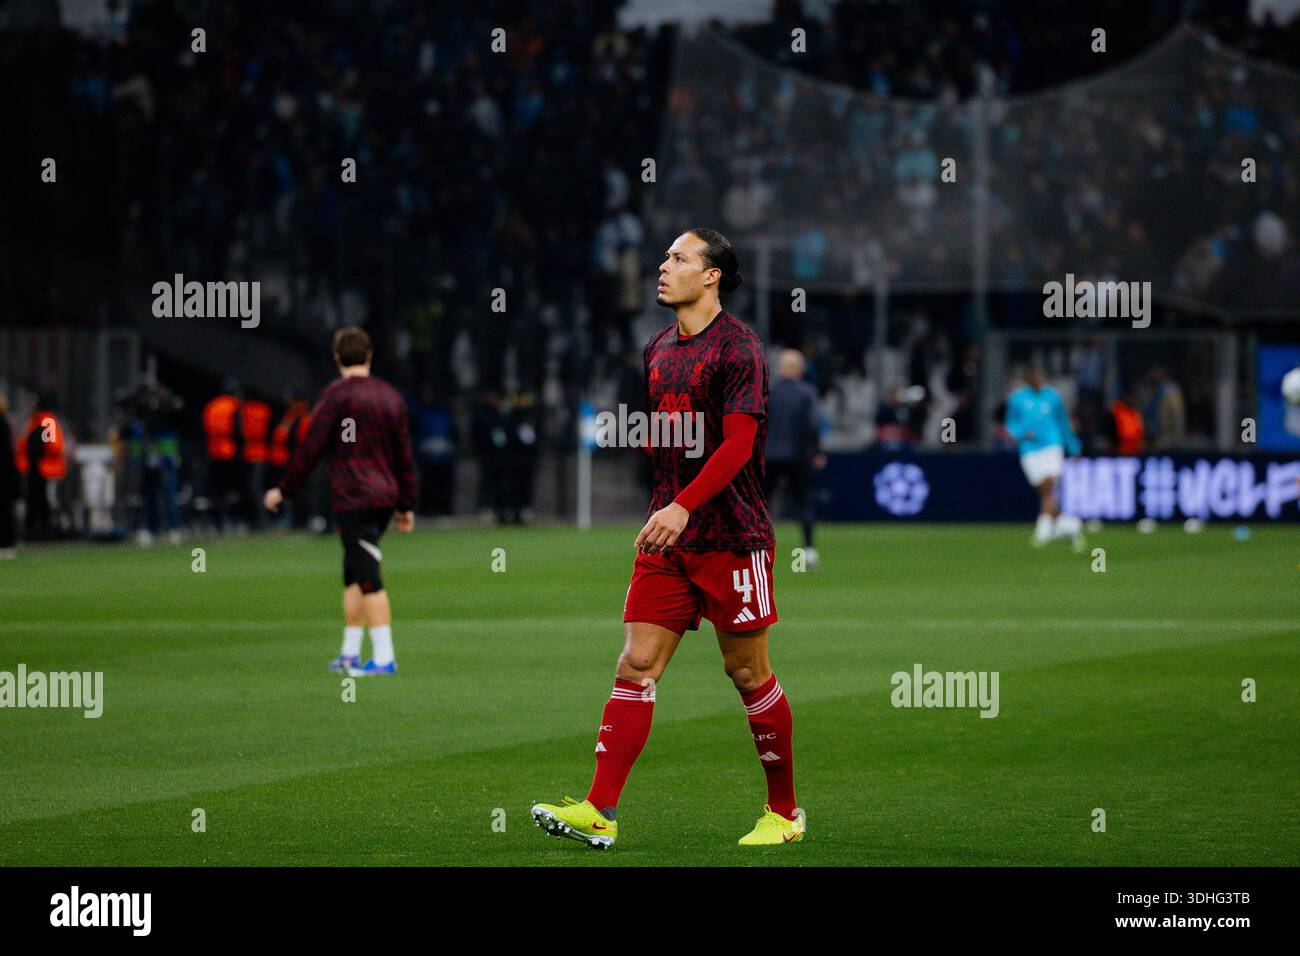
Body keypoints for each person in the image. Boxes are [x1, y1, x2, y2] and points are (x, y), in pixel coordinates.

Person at [532, 227, 804, 849]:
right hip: (669, 540)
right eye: (665, 256)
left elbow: (738, 444)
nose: (663, 266)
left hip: (733, 537)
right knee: (636, 663)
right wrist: (663, 506)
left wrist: (682, 505)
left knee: (747, 673)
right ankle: (600, 810)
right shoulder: (656, 348)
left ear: (711, 276)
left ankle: (785, 813)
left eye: (679, 258)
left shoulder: (740, 348)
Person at [264, 328, 417, 677]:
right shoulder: (390, 397)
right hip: (384, 494)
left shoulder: (335, 397)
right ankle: (349, 652)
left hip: (354, 496)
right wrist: (406, 505)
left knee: (368, 577)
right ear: (369, 355)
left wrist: (284, 490)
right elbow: (403, 457)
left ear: (337, 358)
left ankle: (383, 657)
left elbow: (310, 449)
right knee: (353, 573)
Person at [1004, 366, 1084, 549]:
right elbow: (1010, 424)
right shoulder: (1017, 399)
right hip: (1029, 449)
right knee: (1042, 488)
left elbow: (1063, 423)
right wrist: (1022, 433)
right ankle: (1068, 526)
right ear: (1028, 379)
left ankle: (1042, 530)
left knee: (1048, 484)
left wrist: (1073, 446)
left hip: (1051, 445)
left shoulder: (1053, 397)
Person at [766, 348, 825, 568]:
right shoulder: (807, 392)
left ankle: (755, 547)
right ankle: (808, 550)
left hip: (768, 456)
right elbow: (812, 425)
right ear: (800, 370)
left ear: (780, 369)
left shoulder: (768, 391)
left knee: (761, 504)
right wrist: (816, 452)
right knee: (804, 503)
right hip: (797, 456)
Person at [16, 395, 67, 539]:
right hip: (37, 469)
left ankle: (50, 530)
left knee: (49, 501)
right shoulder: (34, 422)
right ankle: (36, 530)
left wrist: (39, 450)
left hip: (48, 469)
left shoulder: (46, 421)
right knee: (36, 500)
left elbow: (53, 446)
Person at [0, 394, 17, 558]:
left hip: (4, 473)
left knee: (4, 508)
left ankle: (6, 542)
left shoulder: (3, 424)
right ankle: (7, 542)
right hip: (6, 472)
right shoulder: (5, 424)